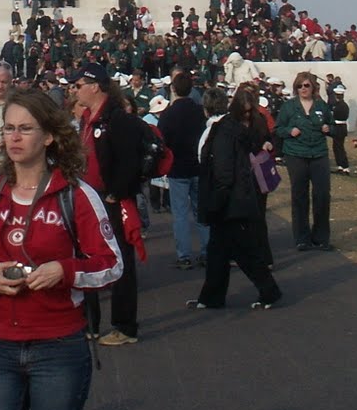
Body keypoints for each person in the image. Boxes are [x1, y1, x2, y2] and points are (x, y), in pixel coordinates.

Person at [0, 87, 122, 410]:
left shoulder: (77, 193)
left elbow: (112, 263)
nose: (13, 138)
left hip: (59, 347)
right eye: (8, 128)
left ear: (49, 136)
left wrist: (64, 271)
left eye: (25, 129)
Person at [70, 62, 146, 346]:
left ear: (94, 86)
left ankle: (125, 326)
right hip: (89, 197)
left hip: (109, 198)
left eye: (78, 85)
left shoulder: (116, 118)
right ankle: (89, 322)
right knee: (86, 255)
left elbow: (130, 159)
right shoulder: (88, 118)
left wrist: (117, 192)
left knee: (120, 260)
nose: (75, 90)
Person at [189, 85, 281, 310]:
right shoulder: (231, 130)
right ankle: (212, 297)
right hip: (233, 198)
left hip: (230, 200)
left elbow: (224, 173)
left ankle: (268, 291)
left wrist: (216, 202)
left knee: (239, 251)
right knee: (219, 252)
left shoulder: (224, 132)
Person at [277, 71, 334, 252]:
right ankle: (302, 237)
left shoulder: (322, 106)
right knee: (300, 196)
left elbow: (334, 127)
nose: (303, 89)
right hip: (296, 154)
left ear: (313, 87)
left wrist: (328, 128)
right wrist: (289, 131)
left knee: (322, 196)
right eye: (299, 86)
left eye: (306, 85)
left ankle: (321, 237)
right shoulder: (288, 107)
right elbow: (278, 128)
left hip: (318, 154)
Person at [156, 71, 208, 269]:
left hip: (177, 168)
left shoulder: (169, 114)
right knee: (201, 211)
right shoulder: (199, 111)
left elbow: (162, 142)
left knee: (180, 215)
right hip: (197, 165)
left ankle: (184, 255)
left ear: (173, 89)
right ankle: (206, 251)